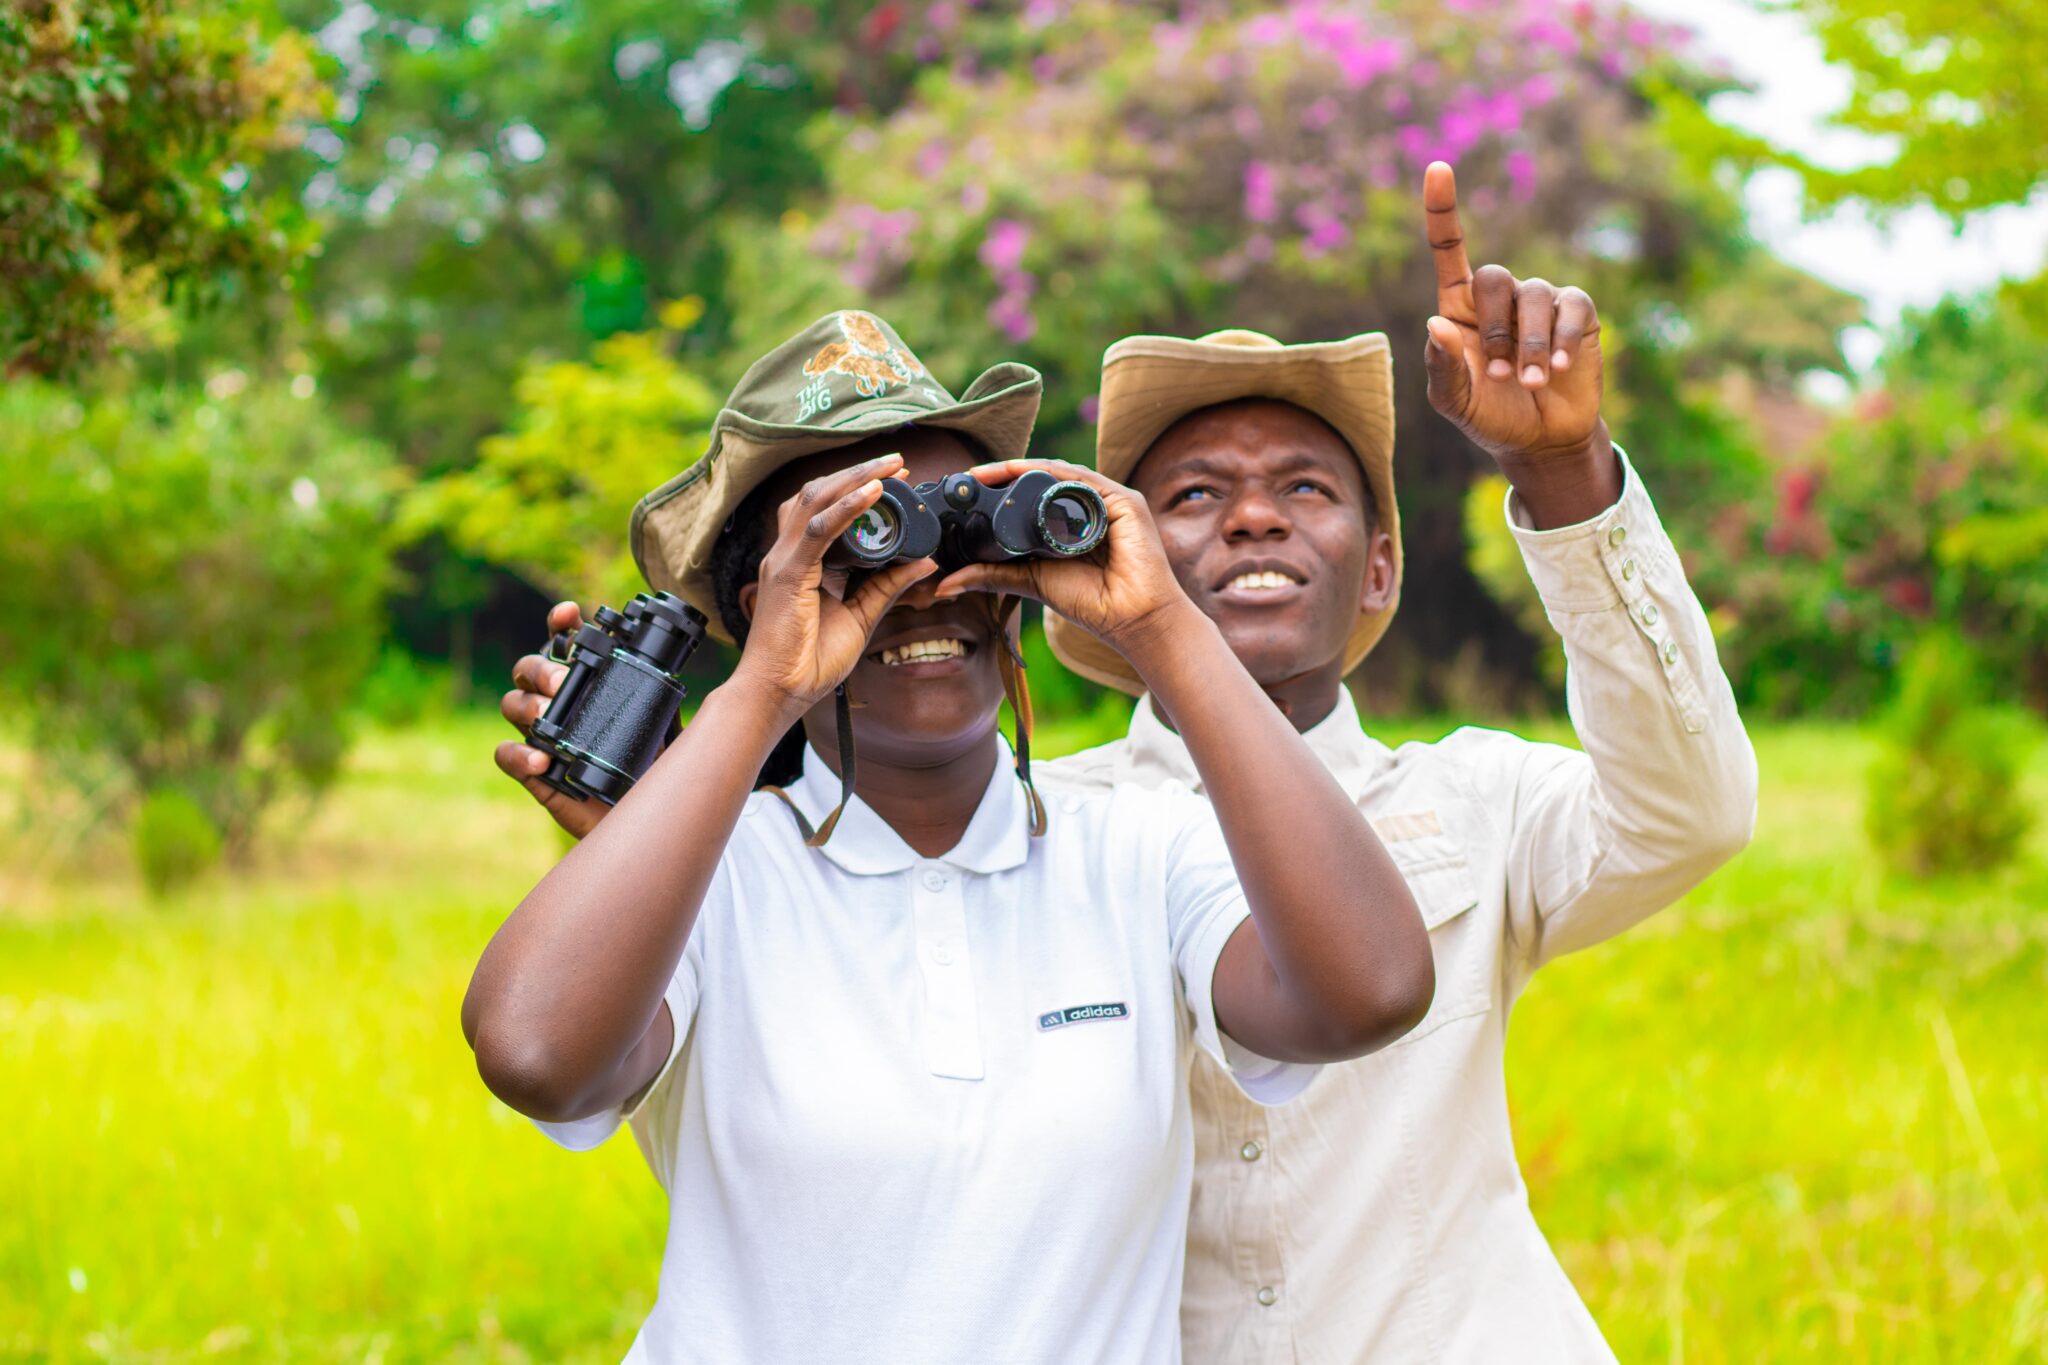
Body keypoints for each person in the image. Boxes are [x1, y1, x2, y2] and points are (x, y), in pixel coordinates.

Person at [465, 310, 1435, 1364]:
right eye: (856, 542)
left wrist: (1161, 628)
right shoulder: (708, 877)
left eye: (954, 528)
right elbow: (536, 1055)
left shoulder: (1139, 853)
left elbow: (1369, 990)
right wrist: (767, 690)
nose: (917, 579)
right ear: (767, 600)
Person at [1033, 163, 1759, 1363]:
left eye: (1304, 489)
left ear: (1375, 571)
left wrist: (1562, 468)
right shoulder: (1036, 831)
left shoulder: (1470, 800)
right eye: (1196, 494)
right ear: (1115, 569)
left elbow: (1692, 815)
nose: (1253, 519)